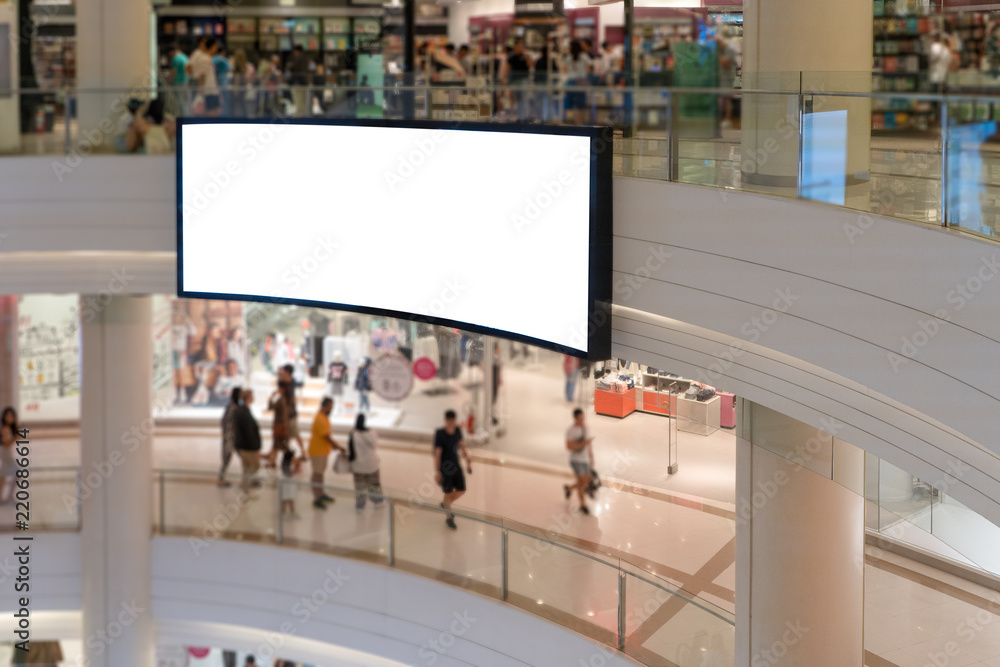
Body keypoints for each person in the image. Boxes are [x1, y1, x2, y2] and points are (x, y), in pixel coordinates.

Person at [434, 409, 472, 530]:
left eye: (453, 421)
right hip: (445, 469)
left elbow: (463, 445)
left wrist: (468, 460)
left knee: (462, 490)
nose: (451, 423)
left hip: (456, 466)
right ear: (446, 420)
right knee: (448, 492)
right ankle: (448, 518)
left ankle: (446, 504)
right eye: (449, 421)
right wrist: (437, 472)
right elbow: (437, 454)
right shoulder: (440, 434)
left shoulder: (457, 431)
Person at [308, 397, 341, 510]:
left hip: (322, 451)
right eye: (330, 406)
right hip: (317, 452)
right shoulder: (320, 418)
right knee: (316, 474)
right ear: (325, 406)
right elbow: (325, 436)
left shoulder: (324, 417)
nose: (332, 408)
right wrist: (337, 446)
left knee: (320, 474)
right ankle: (316, 498)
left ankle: (321, 494)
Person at [349, 413, 384, 511]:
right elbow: (375, 445)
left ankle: (360, 505)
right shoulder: (372, 432)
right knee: (374, 484)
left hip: (358, 466)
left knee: (360, 487)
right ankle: (377, 501)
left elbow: (351, 452)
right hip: (372, 463)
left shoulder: (353, 434)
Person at [563, 408, 594, 515]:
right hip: (576, 460)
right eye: (580, 419)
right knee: (582, 483)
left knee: (585, 481)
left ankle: (569, 488)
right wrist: (582, 444)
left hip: (585, 459)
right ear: (575, 418)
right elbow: (569, 447)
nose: (582, 421)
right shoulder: (570, 431)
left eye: (583, 418)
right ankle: (582, 505)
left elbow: (588, 443)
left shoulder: (585, 428)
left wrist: (591, 456)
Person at [233, 389, 262, 490]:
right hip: (247, 447)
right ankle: (245, 484)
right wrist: (256, 448)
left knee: (246, 467)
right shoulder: (244, 413)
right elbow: (249, 433)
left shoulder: (242, 411)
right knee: (255, 466)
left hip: (243, 446)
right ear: (248, 398)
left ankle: (245, 488)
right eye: (252, 396)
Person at [188, 36, 222, 117]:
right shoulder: (203, 58)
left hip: (211, 90)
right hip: (208, 91)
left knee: (215, 112)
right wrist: (201, 91)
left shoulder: (208, 58)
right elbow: (201, 76)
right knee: (211, 113)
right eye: (215, 46)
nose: (216, 49)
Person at [280, 363, 306, 459]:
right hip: (289, 413)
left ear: (287, 372)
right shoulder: (289, 382)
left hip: (290, 413)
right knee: (289, 434)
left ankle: (302, 453)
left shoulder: (289, 382)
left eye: (283, 371)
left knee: (294, 433)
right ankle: (291, 453)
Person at [563, 40, 592, 125]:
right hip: (581, 82)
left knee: (572, 105)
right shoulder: (584, 56)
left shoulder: (568, 57)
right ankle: (579, 123)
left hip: (571, 82)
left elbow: (565, 69)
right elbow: (589, 68)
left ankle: (575, 123)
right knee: (579, 105)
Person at [218, 387, 241, 487]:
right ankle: (221, 478)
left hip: (231, 436)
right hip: (231, 437)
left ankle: (249, 478)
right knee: (227, 458)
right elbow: (227, 422)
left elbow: (223, 421)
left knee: (241, 457)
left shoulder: (232, 406)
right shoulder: (233, 407)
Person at [0, 406, 20, 504]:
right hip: (6, 454)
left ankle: (6, 497)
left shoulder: (7, 428)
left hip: (5, 453)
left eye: (11, 416)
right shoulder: (5, 428)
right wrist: (15, 437)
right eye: (7, 416)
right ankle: (10, 496)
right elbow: (7, 444)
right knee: (17, 473)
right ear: (4, 417)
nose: (9, 418)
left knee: (3, 475)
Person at [279, 449, 300, 520]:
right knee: (287, 499)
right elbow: (290, 474)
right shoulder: (287, 465)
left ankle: (290, 512)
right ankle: (285, 513)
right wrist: (296, 468)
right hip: (288, 484)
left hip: (288, 484)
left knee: (289, 499)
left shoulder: (284, 463)